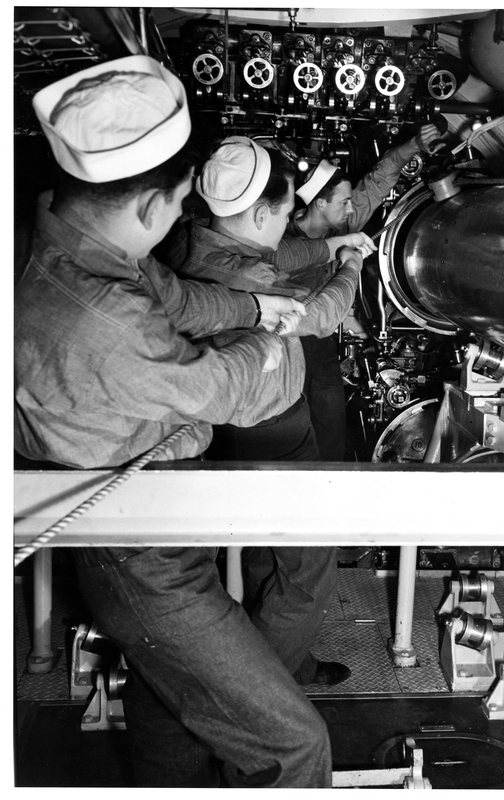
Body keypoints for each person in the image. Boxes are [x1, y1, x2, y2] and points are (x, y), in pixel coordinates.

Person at [14, 55, 334, 788]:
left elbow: (180, 302)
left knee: (174, 699)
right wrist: (280, 340)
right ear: (155, 206)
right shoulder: (102, 318)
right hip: (143, 558)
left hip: (146, 513)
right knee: (293, 745)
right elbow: (231, 390)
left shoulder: (72, 236)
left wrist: (257, 308)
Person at [163, 136, 376, 689]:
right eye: (283, 216)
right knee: (308, 568)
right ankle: (262, 690)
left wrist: (331, 246)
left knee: (266, 555)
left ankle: (291, 655)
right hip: (274, 433)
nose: (288, 227)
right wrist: (350, 263)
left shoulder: (198, 241)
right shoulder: (250, 280)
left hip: (236, 430)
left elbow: (279, 254)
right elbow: (320, 314)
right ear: (258, 212)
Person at [288, 124, 447, 461]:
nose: (351, 209)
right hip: (286, 343)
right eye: (344, 201)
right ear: (319, 203)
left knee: (331, 425)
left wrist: (414, 145)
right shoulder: (283, 241)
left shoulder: (341, 223)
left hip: (322, 345)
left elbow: (378, 179)